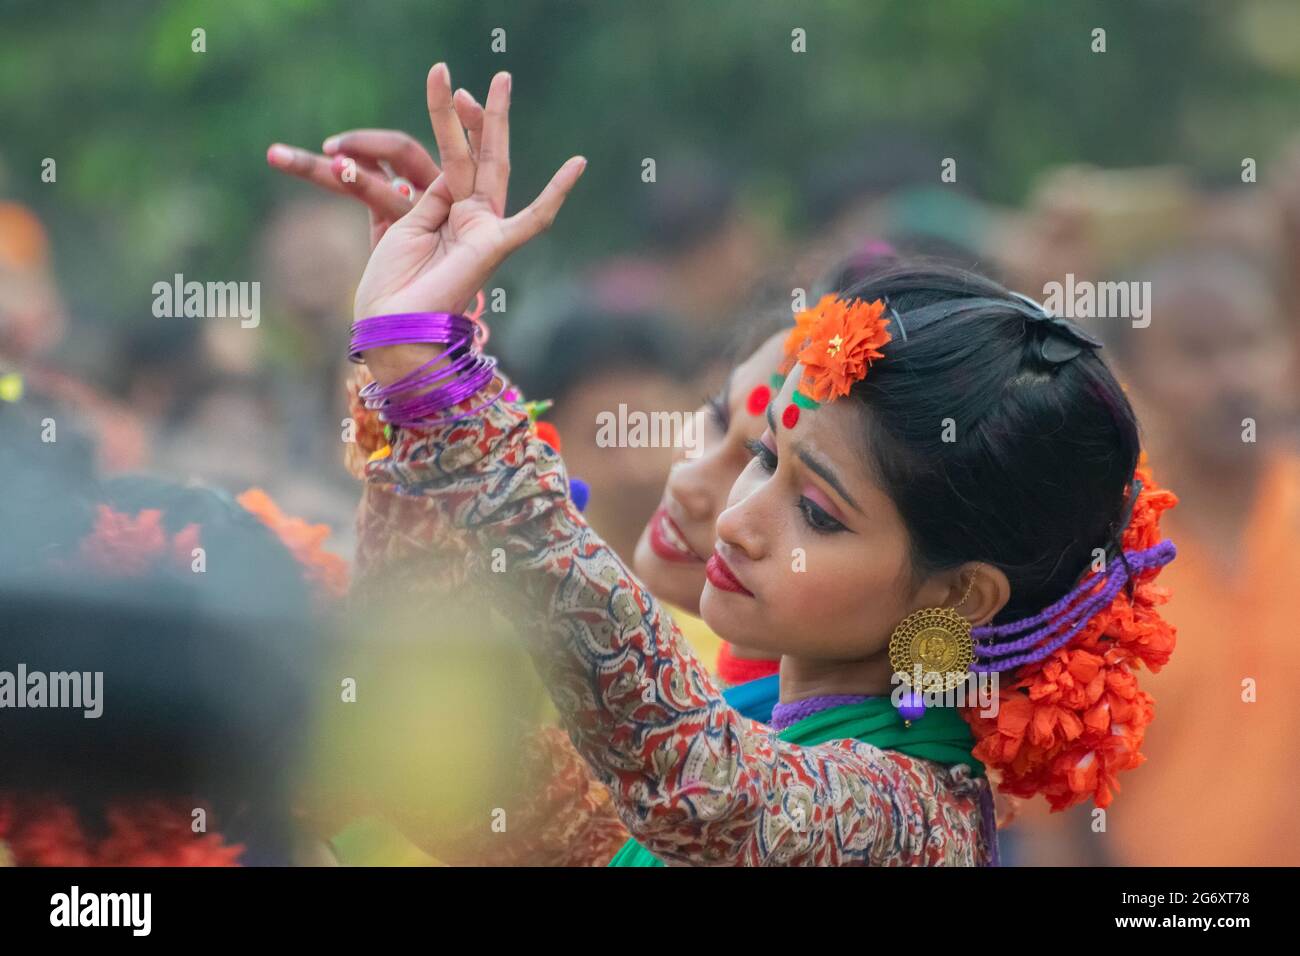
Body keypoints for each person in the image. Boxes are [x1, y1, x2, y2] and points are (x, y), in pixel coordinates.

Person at [335, 63, 1179, 866]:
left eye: (817, 513)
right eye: (767, 457)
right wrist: (407, 362)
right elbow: (457, 778)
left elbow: (698, 787)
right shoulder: (758, 725)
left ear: (957, 594)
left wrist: (443, 387)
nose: (736, 519)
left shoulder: (911, 820)